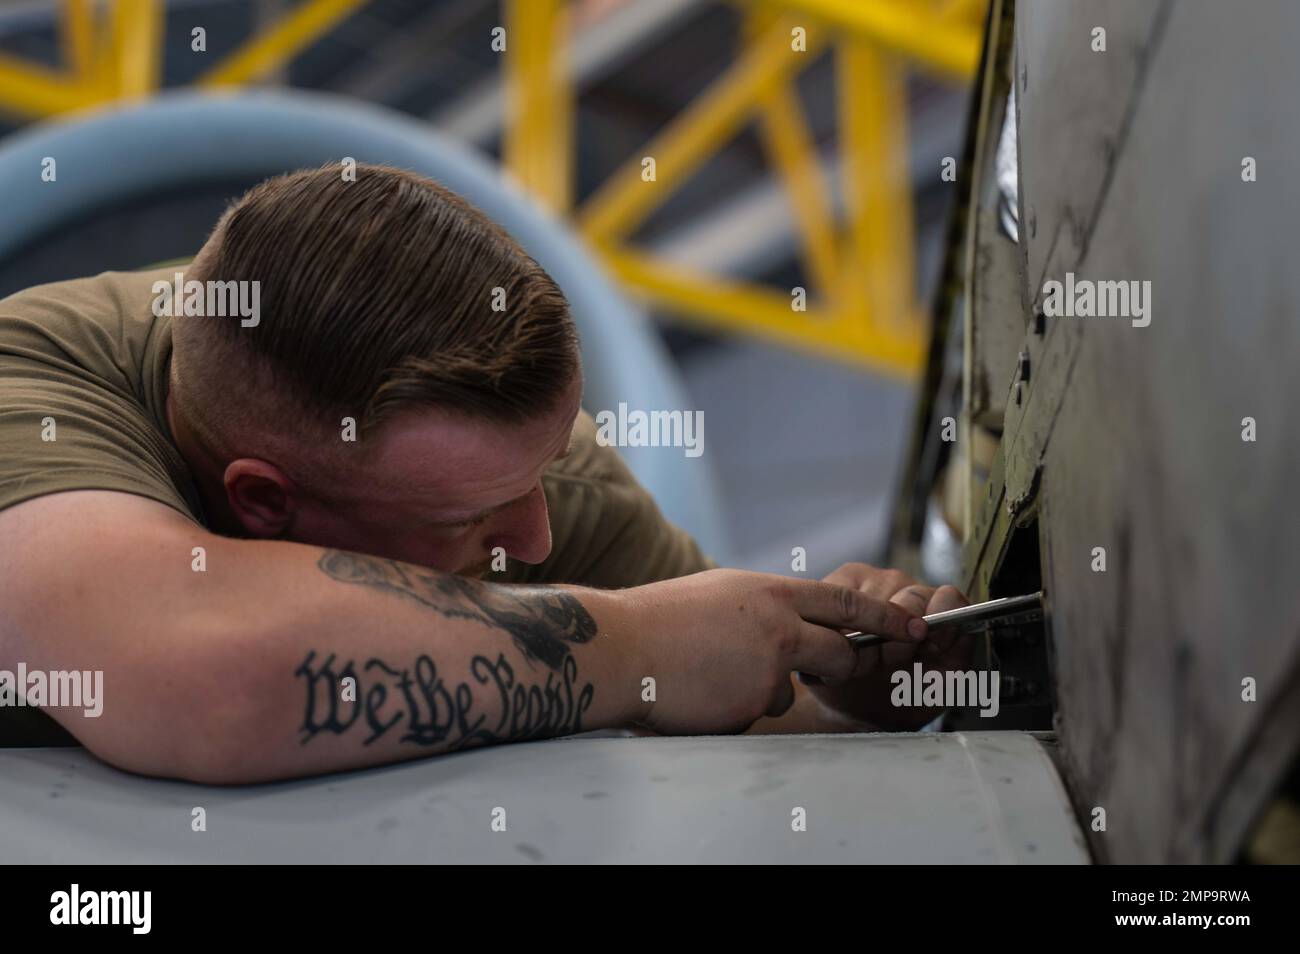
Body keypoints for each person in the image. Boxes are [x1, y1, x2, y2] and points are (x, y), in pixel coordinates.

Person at [0, 164, 968, 783]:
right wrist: (630, 647)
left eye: (541, 469)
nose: (537, 541)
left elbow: (735, 699)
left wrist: (854, 695)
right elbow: (206, 681)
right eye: (473, 514)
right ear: (262, 499)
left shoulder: (527, 475)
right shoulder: (31, 387)